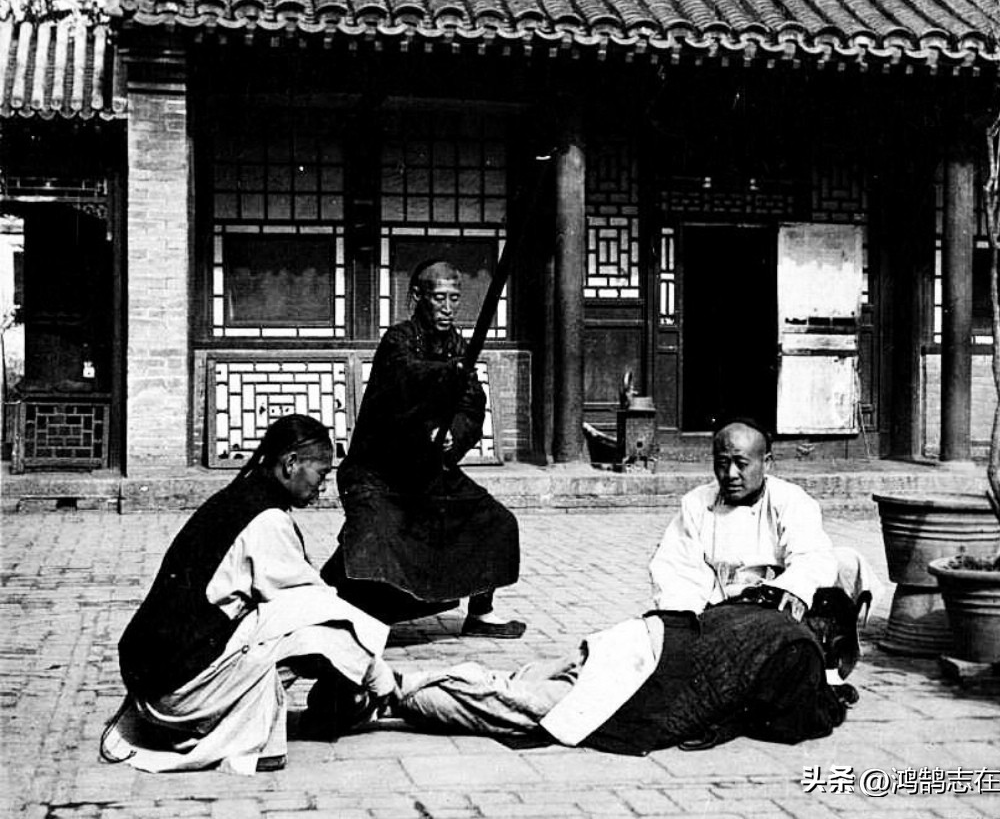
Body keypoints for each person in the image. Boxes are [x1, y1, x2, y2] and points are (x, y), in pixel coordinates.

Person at [100, 415, 395, 774]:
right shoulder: (266, 519)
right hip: (179, 695)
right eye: (320, 474)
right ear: (290, 464)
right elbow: (315, 606)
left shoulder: (240, 497)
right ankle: (257, 736)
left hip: (155, 686)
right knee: (316, 623)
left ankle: (330, 702)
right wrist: (375, 675)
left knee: (287, 617)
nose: (322, 487)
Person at [323, 259, 525, 637]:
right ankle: (342, 606)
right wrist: (450, 371)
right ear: (417, 297)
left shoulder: (457, 345)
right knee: (374, 537)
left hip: (428, 471)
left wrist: (455, 436)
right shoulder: (398, 341)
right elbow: (405, 376)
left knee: (495, 521)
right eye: (439, 298)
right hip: (377, 471)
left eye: (454, 299)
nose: (448, 308)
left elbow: (470, 406)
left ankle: (480, 613)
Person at [387, 596, 854, 754]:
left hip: (633, 638)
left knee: (522, 684)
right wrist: (832, 704)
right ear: (829, 633)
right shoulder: (801, 646)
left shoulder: (763, 614)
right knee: (517, 709)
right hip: (639, 677)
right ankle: (392, 691)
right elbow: (790, 726)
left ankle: (404, 685)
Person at [649, 418, 879, 680]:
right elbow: (676, 565)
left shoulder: (791, 500)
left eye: (741, 464)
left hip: (777, 606)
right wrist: (685, 623)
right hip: (718, 608)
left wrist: (791, 591)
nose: (731, 474)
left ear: (766, 463)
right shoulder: (696, 503)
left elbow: (810, 555)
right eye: (722, 463)